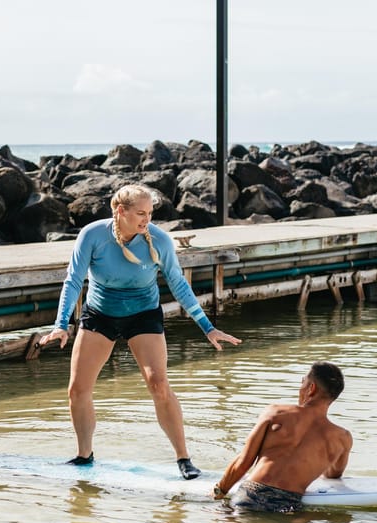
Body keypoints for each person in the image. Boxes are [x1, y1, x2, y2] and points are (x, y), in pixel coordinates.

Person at [39, 184, 242, 480]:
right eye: (140, 213)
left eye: (150, 213)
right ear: (120, 211)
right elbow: (73, 281)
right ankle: (85, 456)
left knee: (158, 384)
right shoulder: (93, 235)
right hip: (100, 314)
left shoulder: (158, 240)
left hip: (143, 315)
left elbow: (178, 283)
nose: (147, 219)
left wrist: (207, 327)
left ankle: (184, 459)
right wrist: (61, 325)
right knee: (77, 389)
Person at [212, 361, 352, 513]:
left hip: (252, 494)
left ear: (311, 388)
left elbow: (243, 462)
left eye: (302, 381)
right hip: (289, 502)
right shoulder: (342, 438)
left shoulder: (276, 412)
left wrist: (220, 491)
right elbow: (334, 474)